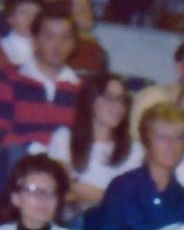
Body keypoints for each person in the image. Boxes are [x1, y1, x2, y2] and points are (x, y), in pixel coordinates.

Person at [88, 101, 184, 230]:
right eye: (161, 137)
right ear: (147, 141)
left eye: (178, 137)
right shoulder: (122, 187)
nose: (170, 145)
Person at [46, 70, 138, 222]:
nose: (118, 106)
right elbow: (58, 186)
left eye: (122, 100)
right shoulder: (63, 138)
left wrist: (74, 183)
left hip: (107, 222)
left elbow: (120, 201)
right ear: (90, 100)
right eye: (110, 98)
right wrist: (97, 197)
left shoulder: (134, 149)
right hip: (68, 217)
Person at [0, 5, 77, 151]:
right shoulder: (8, 81)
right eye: (49, 37)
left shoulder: (83, 90)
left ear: (73, 44)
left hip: (67, 168)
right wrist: (36, 152)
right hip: (19, 167)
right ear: (34, 40)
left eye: (65, 37)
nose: (58, 45)